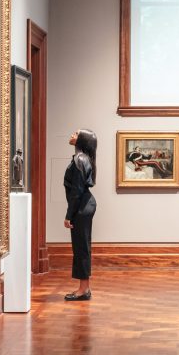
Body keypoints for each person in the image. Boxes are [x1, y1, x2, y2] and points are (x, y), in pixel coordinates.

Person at [63, 129, 97, 301]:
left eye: (76, 133)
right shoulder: (82, 158)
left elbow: (76, 191)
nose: (72, 135)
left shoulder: (80, 159)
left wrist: (69, 215)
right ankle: (85, 288)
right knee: (82, 247)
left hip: (82, 207)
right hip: (84, 206)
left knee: (81, 247)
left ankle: (83, 290)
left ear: (81, 139)